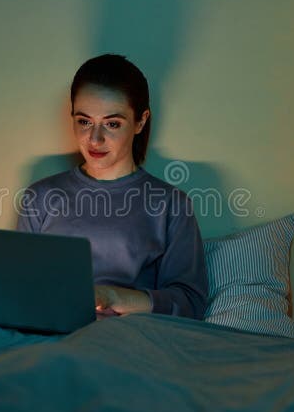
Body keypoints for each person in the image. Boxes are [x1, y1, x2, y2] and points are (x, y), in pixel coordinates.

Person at [16, 54, 207, 319]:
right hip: (48, 337)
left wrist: (112, 296)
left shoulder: (171, 204)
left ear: (140, 121)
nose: (95, 139)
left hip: (126, 339)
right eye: (84, 121)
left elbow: (190, 303)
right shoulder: (40, 196)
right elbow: (20, 289)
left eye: (112, 124)